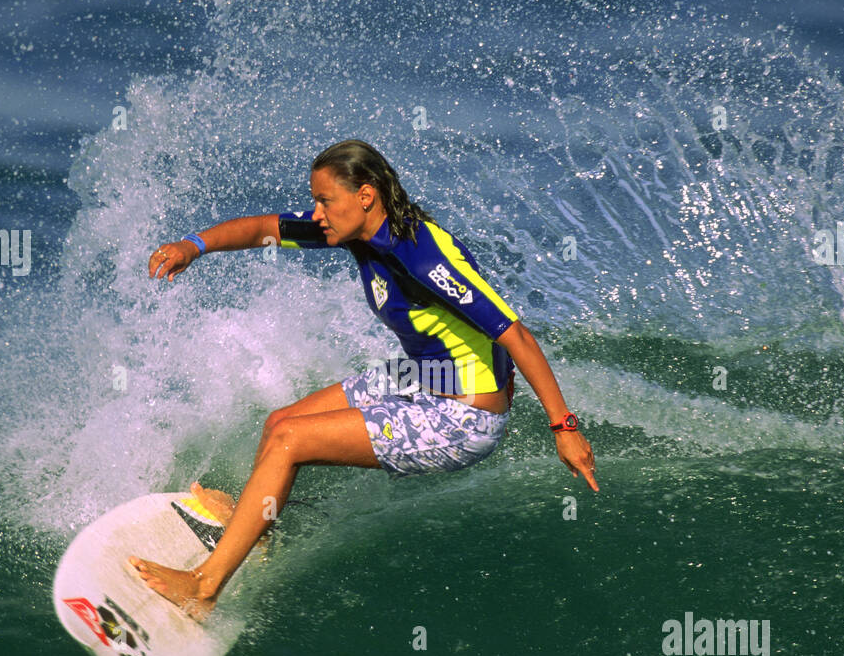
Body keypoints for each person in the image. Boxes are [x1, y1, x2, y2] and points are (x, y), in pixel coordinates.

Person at [129, 139, 597, 618]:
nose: (316, 213)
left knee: (291, 440)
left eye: (325, 201)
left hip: (461, 418)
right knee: (281, 422)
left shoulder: (421, 255)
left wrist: (564, 427)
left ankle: (204, 587)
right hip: (423, 375)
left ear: (366, 196)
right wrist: (195, 246)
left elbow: (515, 333)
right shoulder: (355, 232)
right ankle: (258, 531)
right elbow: (265, 228)